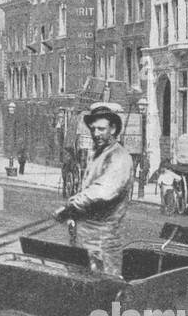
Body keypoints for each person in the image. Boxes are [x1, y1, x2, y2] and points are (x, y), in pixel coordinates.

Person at [53, 102, 133, 274]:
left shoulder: (119, 156)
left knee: (112, 291)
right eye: (93, 129)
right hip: (84, 242)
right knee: (83, 290)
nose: (96, 134)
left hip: (103, 243)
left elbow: (103, 191)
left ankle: (117, 304)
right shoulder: (99, 154)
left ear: (113, 129)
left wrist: (71, 205)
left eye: (101, 129)